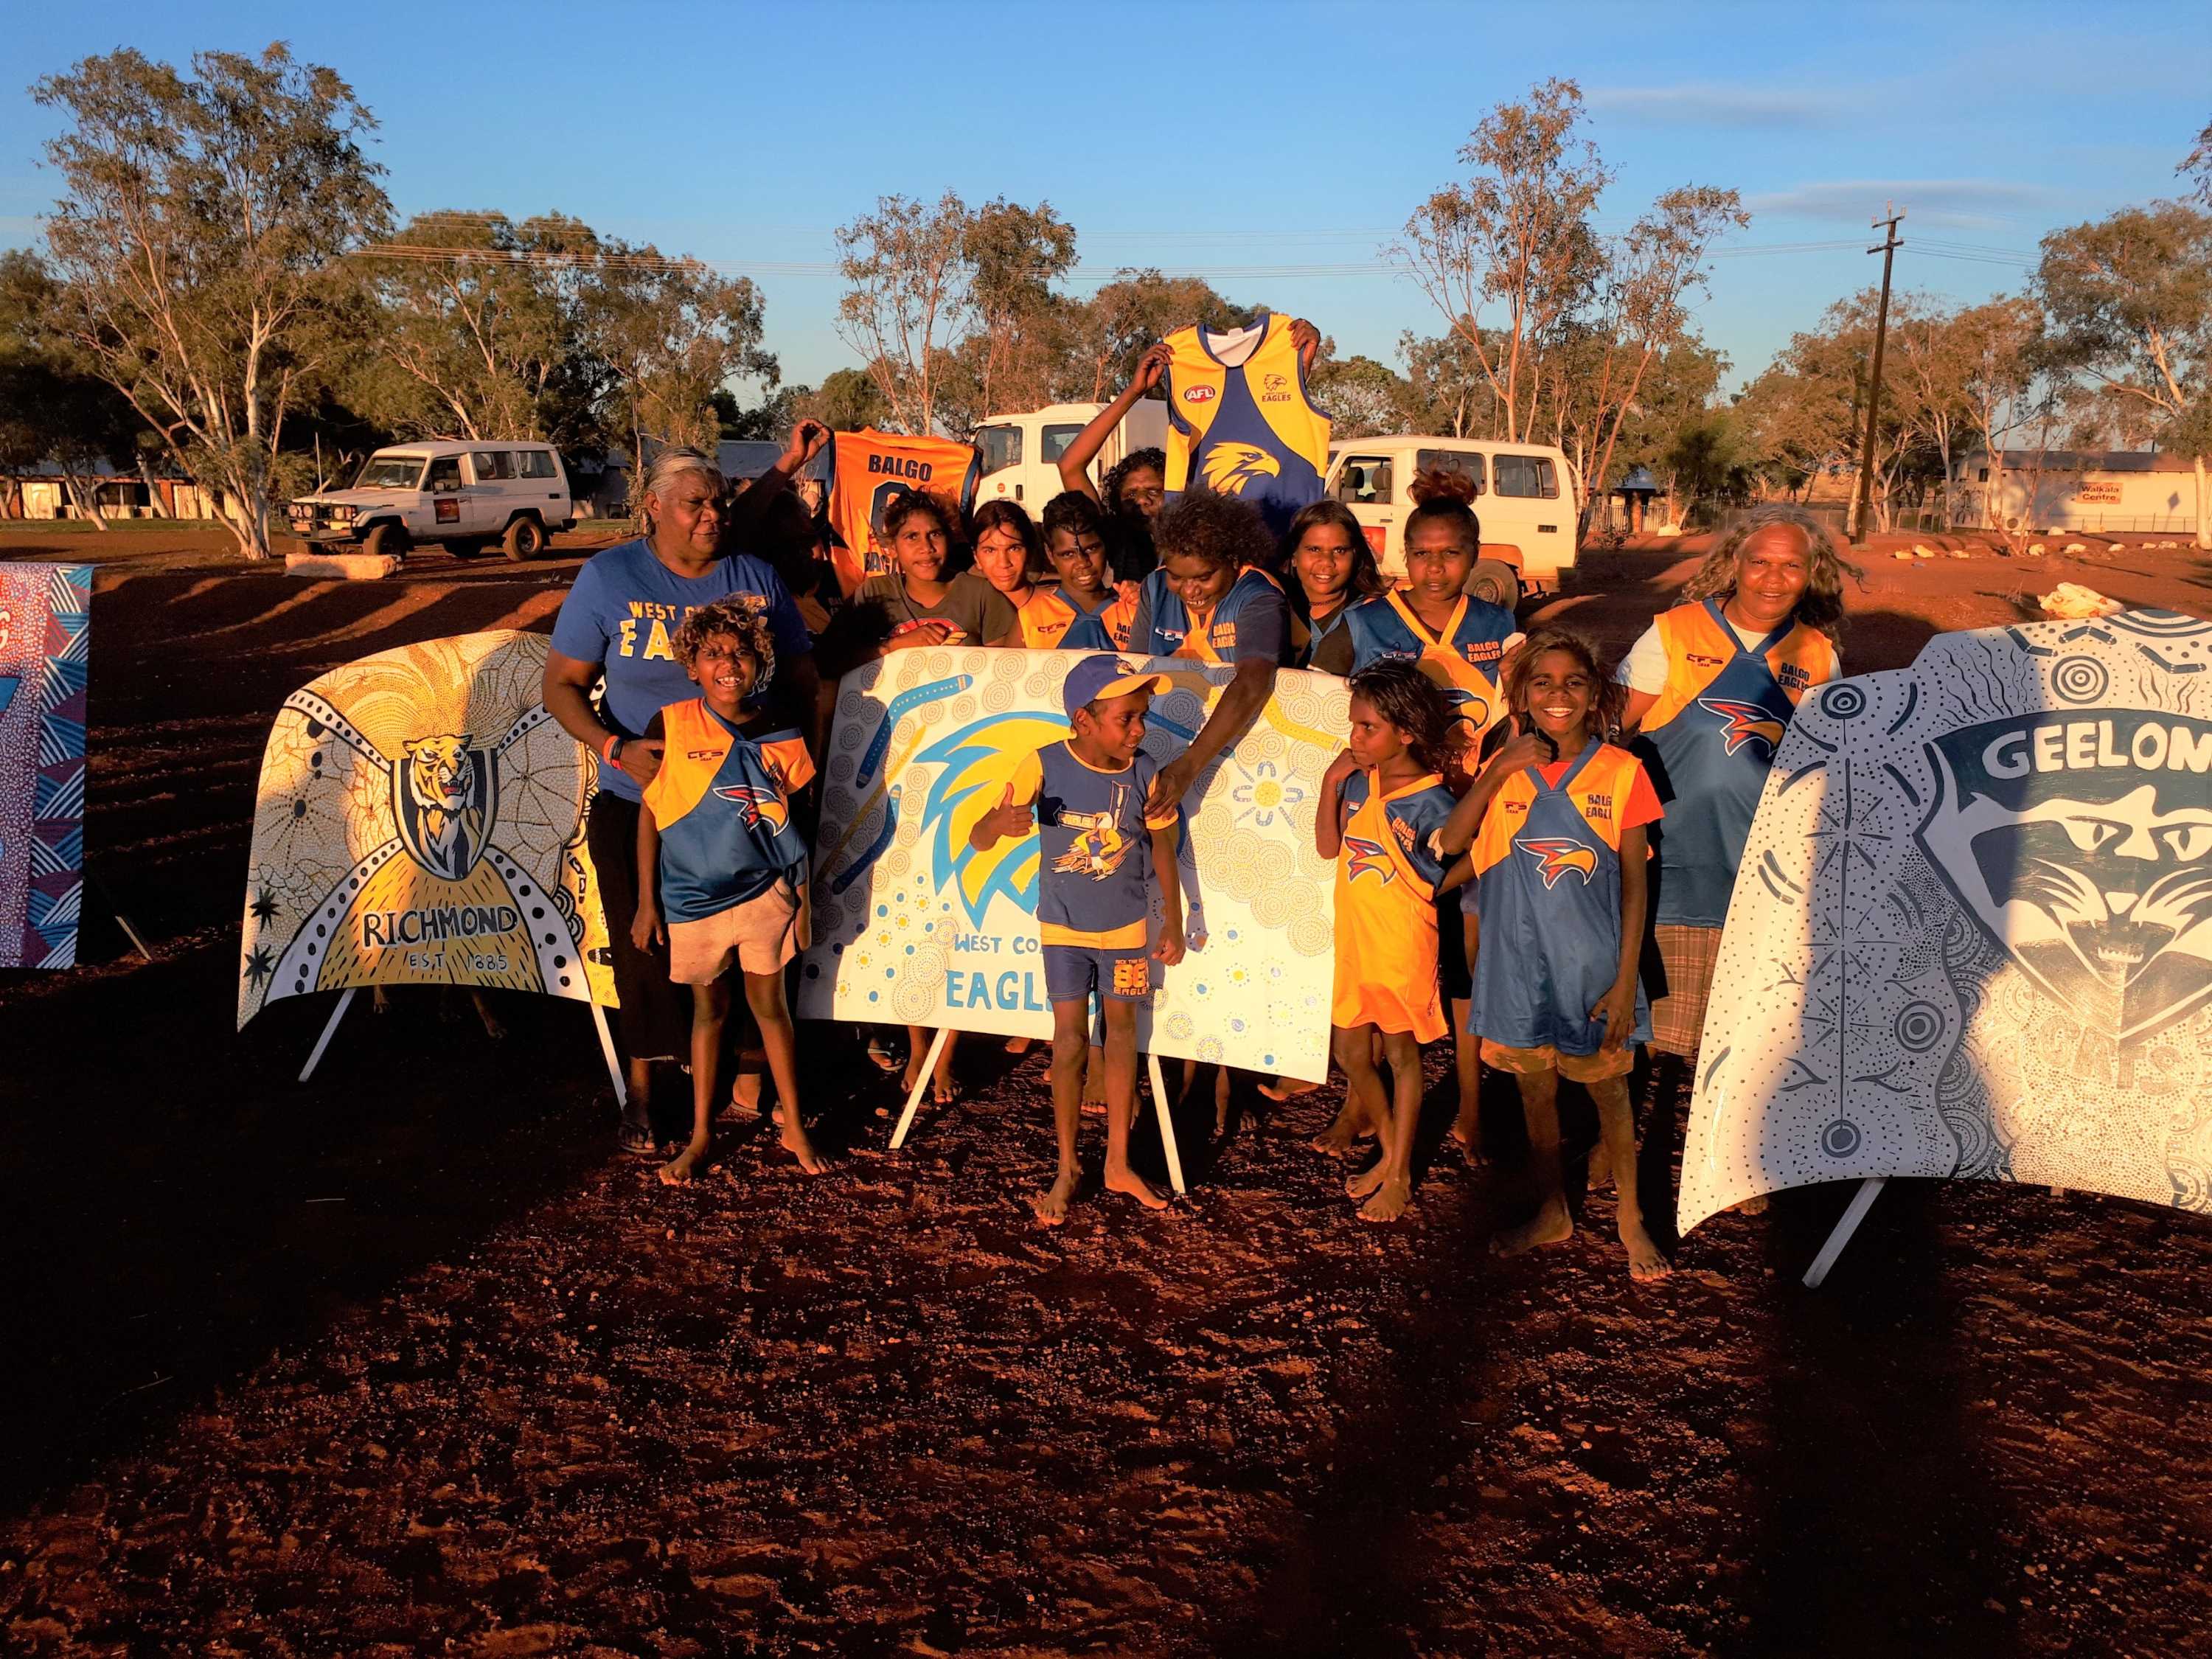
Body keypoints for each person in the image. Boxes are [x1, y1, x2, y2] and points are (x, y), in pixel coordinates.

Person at [543, 446, 818, 1154]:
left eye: (719, 502)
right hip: (642, 797)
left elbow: (801, 675)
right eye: (695, 502)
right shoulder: (609, 577)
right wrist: (614, 748)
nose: (712, 514)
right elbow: (561, 686)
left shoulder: (752, 576)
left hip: (744, 803)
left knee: (761, 942)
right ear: (653, 508)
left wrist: (789, 770)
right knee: (648, 947)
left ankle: (752, 1076)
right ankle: (644, 1092)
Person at [1618, 506, 1853, 1175]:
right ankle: (1621, 1150)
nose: (1773, 578)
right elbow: (1613, 729)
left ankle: (1727, 1157)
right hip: (1671, 866)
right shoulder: (1675, 631)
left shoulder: (1816, 654)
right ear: (1734, 563)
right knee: (1645, 1024)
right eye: (1760, 561)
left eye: (1791, 565)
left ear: (1812, 575)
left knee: (1744, 1032)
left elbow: (1825, 767)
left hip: (1761, 878)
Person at [1433, 627, 1669, 1279]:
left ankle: (1629, 1217)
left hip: (1592, 969)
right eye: (1543, 683)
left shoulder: (1623, 774)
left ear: (1596, 695)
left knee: (1610, 1096)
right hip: (1515, 969)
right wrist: (1498, 772)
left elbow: (1634, 888)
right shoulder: (1503, 767)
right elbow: (1453, 842)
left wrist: (1626, 983)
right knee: (1536, 1095)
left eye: (1574, 682)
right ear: (1522, 696)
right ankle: (1552, 1208)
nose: (1558, 695)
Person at [1312, 470, 1520, 1158]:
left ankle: (1466, 1099)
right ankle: (1357, 1102)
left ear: (1474, 555)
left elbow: (1521, 709)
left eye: (1451, 554)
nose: (1436, 568)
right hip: (1383, 812)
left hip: (1467, 811)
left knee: (1463, 958)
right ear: (1404, 555)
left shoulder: (1495, 626)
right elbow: (1317, 700)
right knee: (1376, 954)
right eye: (1422, 554)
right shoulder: (1367, 621)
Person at [968, 654, 1190, 1223]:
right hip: (1062, 930)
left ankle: (1117, 1162)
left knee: (1122, 1037)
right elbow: (978, 837)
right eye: (1128, 718)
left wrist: (1175, 922)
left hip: (1127, 931)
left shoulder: (1147, 772)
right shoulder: (1041, 764)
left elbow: (1163, 847)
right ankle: (1067, 1167)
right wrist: (1000, 824)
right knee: (1067, 1044)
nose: (1140, 730)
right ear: (1084, 721)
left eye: (1143, 717)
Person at [823, 490, 1020, 1102]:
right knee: (907, 906)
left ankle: (944, 1054)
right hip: (889, 769)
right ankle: (913, 1044)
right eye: (912, 538)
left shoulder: (977, 593)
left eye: (935, 535)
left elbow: (1021, 669)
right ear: (890, 547)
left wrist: (971, 659)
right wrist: (896, 650)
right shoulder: (873, 598)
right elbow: (831, 661)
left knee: (953, 903)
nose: (927, 548)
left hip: (961, 773)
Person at [630, 600, 827, 1185]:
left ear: (759, 661)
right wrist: (647, 900)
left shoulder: (779, 728)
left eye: (741, 652)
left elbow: (795, 822)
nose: (728, 663)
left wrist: (804, 903)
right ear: (691, 665)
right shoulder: (669, 724)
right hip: (692, 900)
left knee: (773, 1009)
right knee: (708, 1012)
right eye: (713, 653)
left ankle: (793, 1122)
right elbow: (652, 814)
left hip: (767, 895)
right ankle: (701, 1135)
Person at [1314, 661, 1464, 1222]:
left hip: (1402, 946)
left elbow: (1452, 868)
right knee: (1351, 1052)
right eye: (1354, 726)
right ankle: (1391, 1144)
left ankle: (1398, 1171)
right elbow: (1329, 849)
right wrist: (1330, 782)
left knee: (1402, 1057)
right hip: (1355, 942)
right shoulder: (1358, 778)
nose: (1355, 739)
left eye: (1368, 728)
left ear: (1406, 732)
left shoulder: (1432, 803)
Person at [1057, 322, 1320, 580]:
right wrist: (1135, 392)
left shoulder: (1207, 542)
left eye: (1153, 491)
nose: (1142, 502)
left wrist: (1296, 372)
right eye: (1130, 495)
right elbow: (1070, 466)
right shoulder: (1112, 539)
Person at [1282, 498, 1386, 671]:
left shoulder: (1376, 616)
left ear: (1356, 556)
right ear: (1294, 556)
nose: (1327, 562)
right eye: (1314, 549)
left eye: (1339, 551)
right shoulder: (1269, 609)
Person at [1043, 492, 1141, 653]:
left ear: (1106, 545)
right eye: (1068, 554)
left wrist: (1145, 607)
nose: (1082, 563)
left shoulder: (1134, 608)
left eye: (1091, 549)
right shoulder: (1031, 617)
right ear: (1050, 555)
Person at [969, 498, 1070, 650]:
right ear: (976, 557)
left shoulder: (1060, 606)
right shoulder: (966, 609)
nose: (1003, 563)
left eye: (1014, 548)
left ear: (1029, 551)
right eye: (990, 551)